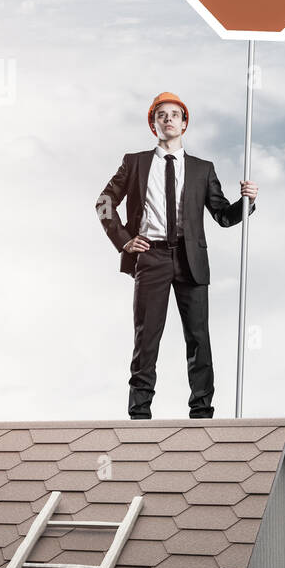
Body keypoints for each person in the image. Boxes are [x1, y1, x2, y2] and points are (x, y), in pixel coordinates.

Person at [95, 91, 257, 419]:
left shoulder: (202, 169)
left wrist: (248, 203)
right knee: (147, 337)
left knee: (199, 339)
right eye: (161, 116)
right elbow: (104, 202)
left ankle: (202, 413)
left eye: (174, 115)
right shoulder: (135, 162)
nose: (168, 119)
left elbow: (223, 216)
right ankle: (139, 414)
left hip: (190, 259)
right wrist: (125, 240)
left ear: (185, 123)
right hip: (151, 258)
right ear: (153, 125)